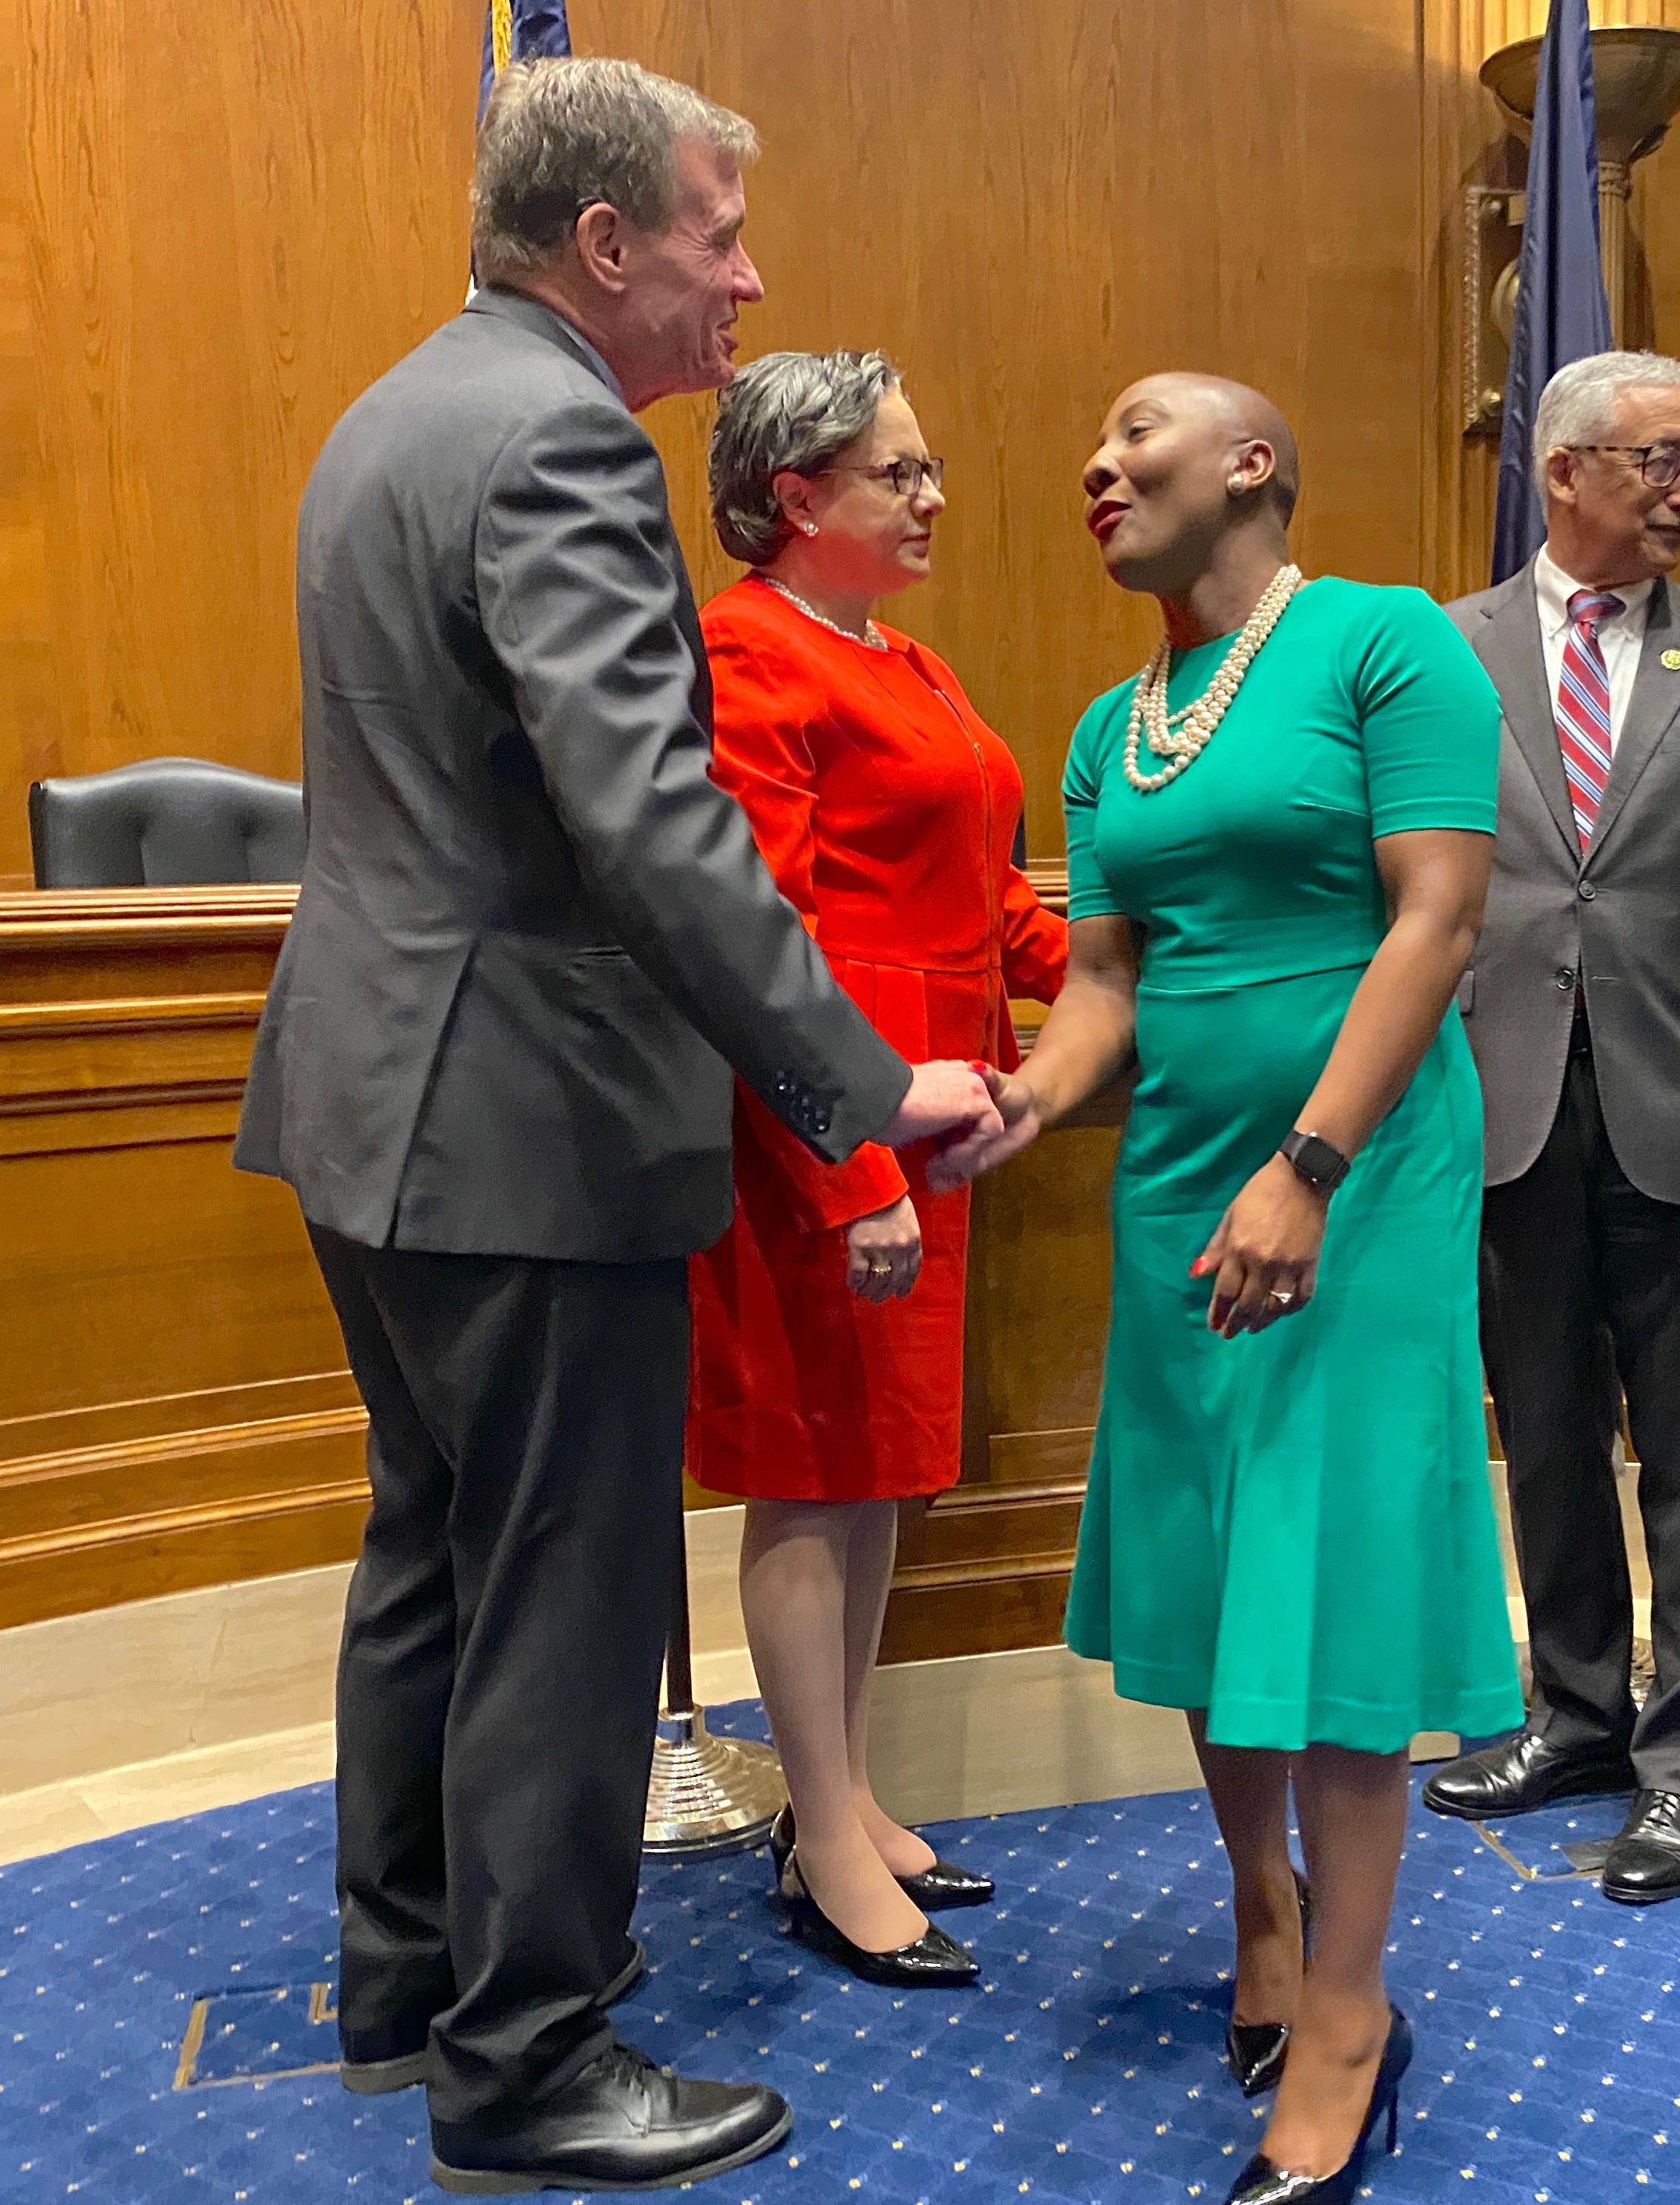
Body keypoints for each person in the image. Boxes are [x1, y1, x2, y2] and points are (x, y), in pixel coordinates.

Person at [231, 60, 1000, 2196]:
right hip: (528, 1116)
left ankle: (405, 1983)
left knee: (432, 1557)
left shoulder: (394, 409)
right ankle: (533, 2057)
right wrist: (859, 1075)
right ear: (607, 249)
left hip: (371, 1090)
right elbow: (653, 821)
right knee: (564, 1587)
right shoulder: (561, 432)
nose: (745, 281)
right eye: (717, 236)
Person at [944, 373, 1525, 2204]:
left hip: (1358, 1179)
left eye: (1134, 436)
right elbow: (1108, 979)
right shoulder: (1110, 727)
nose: (1094, 468)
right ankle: (1258, 1912)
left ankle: (1348, 2008)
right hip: (1181, 1177)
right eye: (1093, 448)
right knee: (1212, 1564)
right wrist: (1027, 1097)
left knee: (1328, 1560)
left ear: (1254, 461)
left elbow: (1435, 919)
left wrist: (1312, 1167)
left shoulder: (1386, 644)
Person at [1419, 351, 1680, 1903]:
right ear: (1562, 472)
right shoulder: (1438, 651)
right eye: (1655, 461)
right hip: (1507, 1102)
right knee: (1541, 1437)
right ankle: (1577, 1715)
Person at [685, 349, 1067, 1986]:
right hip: (822, 1131)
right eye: (893, 471)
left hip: (940, 1119)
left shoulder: (905, 660)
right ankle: (825, 1831)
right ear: (794, 497)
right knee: (812, 1469)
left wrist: (1130, 982)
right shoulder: (744, 652)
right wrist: (854, 1169)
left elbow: (983, 899)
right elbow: (753, 945)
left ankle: (841, 1793)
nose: (930, 496)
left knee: (880, 1470)